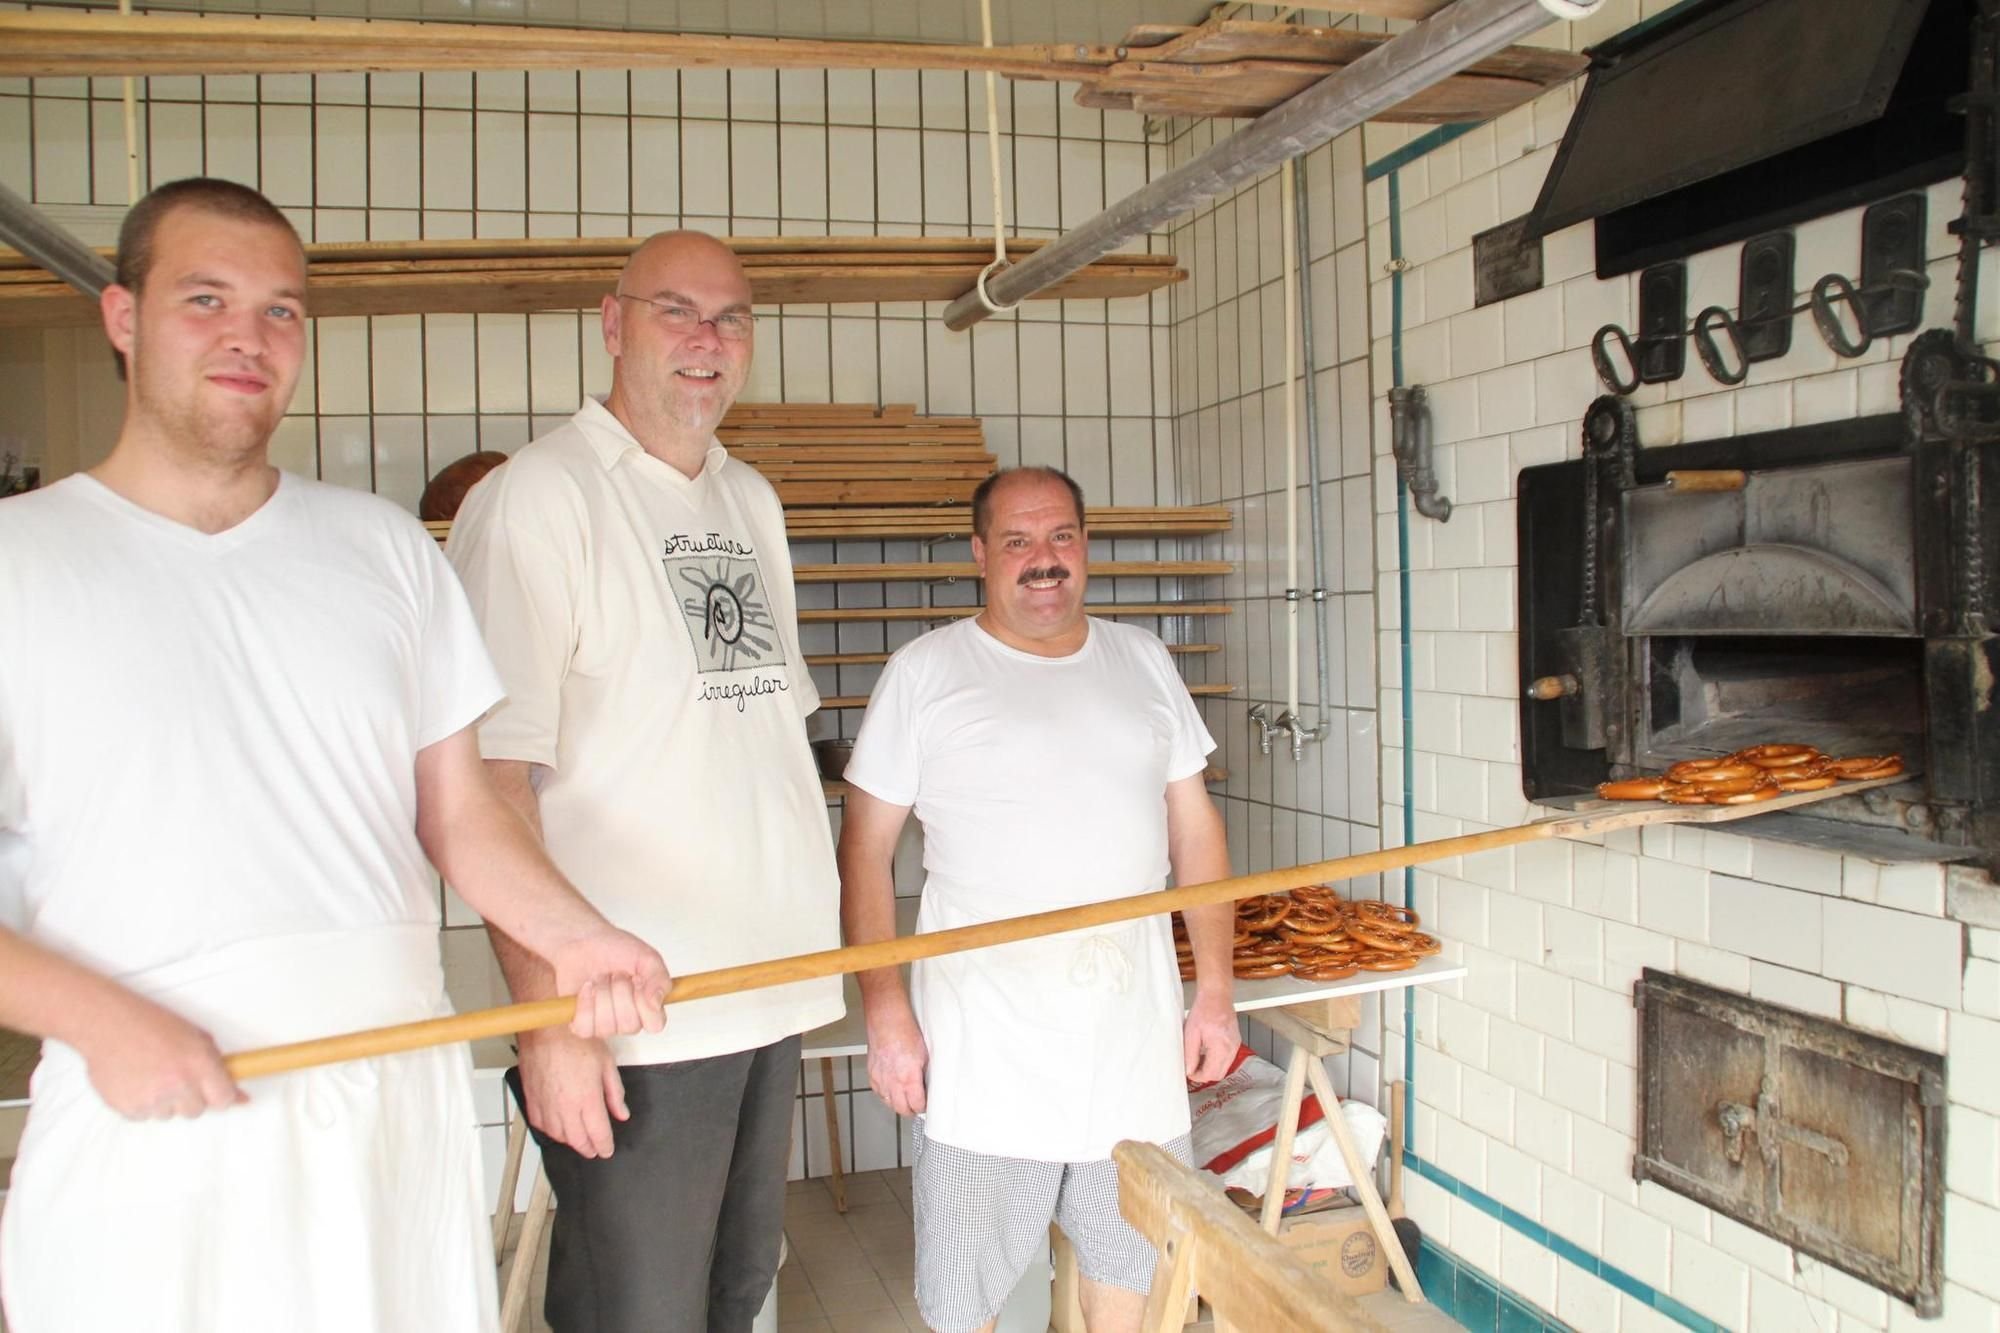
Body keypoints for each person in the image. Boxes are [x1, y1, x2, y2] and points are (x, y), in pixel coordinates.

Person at [0, 177, 672, 1332]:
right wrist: (101, 1020)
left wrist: (575, 933)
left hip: (387, 1102)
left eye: (280, 311)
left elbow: (457, 811)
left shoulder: (379, 550)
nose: (246, 338)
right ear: (121, 316)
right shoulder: (20, 563)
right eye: (204, 298)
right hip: (156, 1120)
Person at [446, 230, 844, 1332]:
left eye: (730, 318)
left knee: (733, 1290)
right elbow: (491, 780)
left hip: (768, 988)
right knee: (639, 1314)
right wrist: (549, 1023)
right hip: (630, 1014)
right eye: (676, 311)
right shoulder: (540, 498)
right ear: (613, 323)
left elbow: (751, 735)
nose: (707, 341)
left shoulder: (746, 497)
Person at [837, 466, 1241, 1333]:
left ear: (1085, 546)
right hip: (988, 1041)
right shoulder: (926, 672)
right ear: (981, 553)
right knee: (966, 1297)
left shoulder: (1143, 660)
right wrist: (885, 1011)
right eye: (1018, 541)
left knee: (1129, 1272)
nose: (1043, 560)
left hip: (1129, 1033)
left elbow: (1196, 831)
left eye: (1060, 536)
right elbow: (864, 851)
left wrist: (1214, 991)